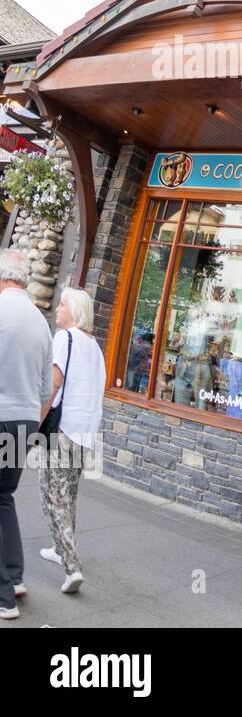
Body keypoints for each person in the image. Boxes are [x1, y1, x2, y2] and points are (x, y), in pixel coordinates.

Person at [36, 288, 105, 596]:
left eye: (62, 304)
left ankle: (72, 566)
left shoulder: (65, 338)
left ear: (74, 310)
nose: (58, 309)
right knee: (69, 495)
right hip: (87, 432)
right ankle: (59, 547)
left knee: (51, 495)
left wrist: (36, 422)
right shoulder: (95, 347)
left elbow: (53, 383)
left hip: (63, 430)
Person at [0, 250, 53, 621]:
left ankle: (4, 597)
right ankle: (15, 578)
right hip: (25, 421)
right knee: (4, 498)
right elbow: (47, 388)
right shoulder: (39, 319)